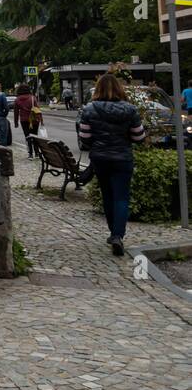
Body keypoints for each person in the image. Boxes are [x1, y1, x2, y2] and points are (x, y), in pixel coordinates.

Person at [78, 74, 146, 256]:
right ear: (119, 88)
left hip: (100, 158)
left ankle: (112, 233)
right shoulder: (130, 110)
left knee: (107, 195)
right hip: (123, 157)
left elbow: (84, 139)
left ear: (98, 88)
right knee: (121, 197)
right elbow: (139, 137)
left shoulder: (90, 109)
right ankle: (118, 235)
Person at [13, 84, 40, 157]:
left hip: (24, 120)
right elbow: (37, 109)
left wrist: (16, 122)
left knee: (27, 136)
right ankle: (37, 153)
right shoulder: (32, 98)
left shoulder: (17, 99)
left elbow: (16, 112)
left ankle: (30, 153)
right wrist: (40, 119)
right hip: (34, 120)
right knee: (34, 135)